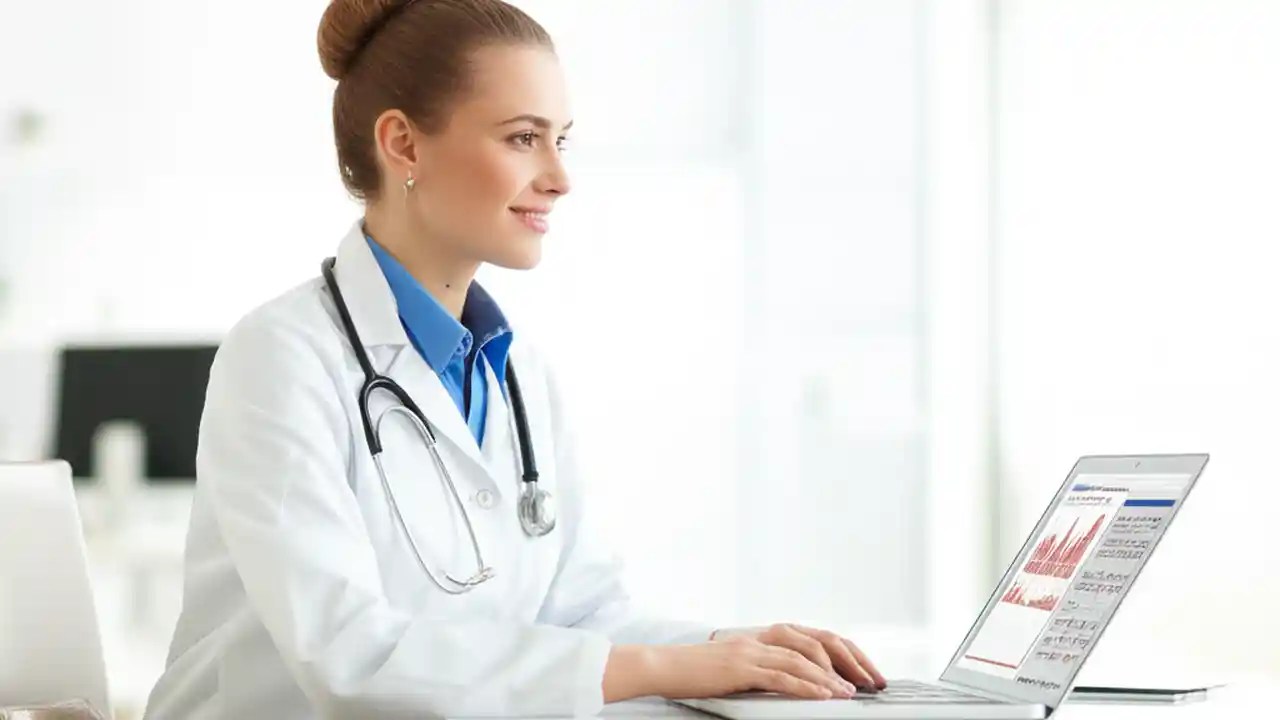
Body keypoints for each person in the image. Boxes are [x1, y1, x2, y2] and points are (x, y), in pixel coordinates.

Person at [143, 1, 886, 717]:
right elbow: (352, 660)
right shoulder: (283, 357)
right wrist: (672, 667)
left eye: (561, 139)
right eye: (523, 138)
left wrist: (738, 651)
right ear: (402, 143)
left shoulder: (516, 373)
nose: (560, 178)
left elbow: (580, 614)